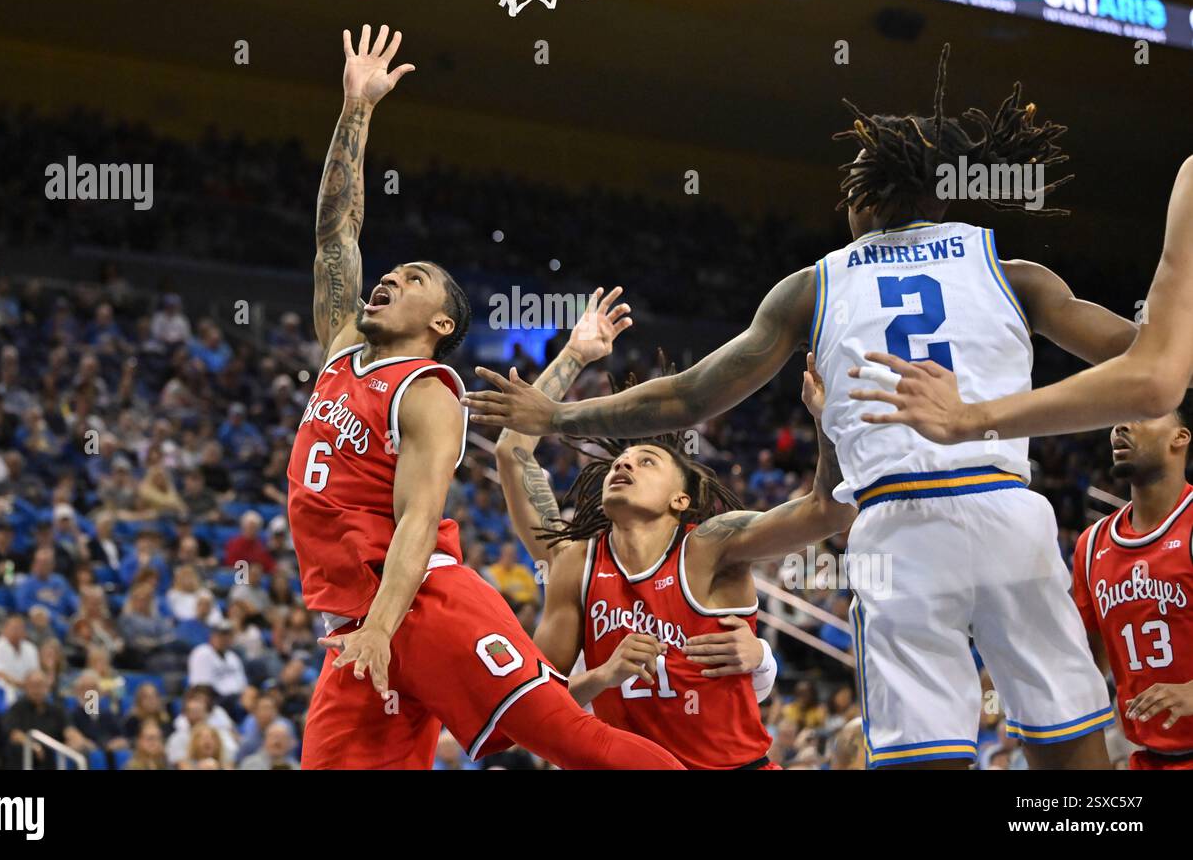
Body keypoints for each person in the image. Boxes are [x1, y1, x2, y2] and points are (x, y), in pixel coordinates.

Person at [468, 48, 1124, 769]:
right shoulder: (1013, 270)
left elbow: (689, 393)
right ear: (944, 199)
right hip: (1006, 509)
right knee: (1068, 743)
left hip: (899, 529)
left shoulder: (814, 287)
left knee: (924, 755)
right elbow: (1141, 356)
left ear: (861, 201)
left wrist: (558, 416)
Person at [292, 25, 680, 770]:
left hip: (423, 605)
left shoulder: (427, 390)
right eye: (394, 270)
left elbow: (417, 519)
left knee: (573, 741)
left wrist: (383, 625)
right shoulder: (344, 350)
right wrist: (357, 108)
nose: (393, 276)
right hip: (357, 618)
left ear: (441, 324)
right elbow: (336, 231)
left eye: (415, 278)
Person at [496, 291, 847, 768]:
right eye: (620, 460)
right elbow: (532, 704)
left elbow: (829, 511)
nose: (624, 464)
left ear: (680, 500)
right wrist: (577, 352)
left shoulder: (711, 547)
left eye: (646, 461)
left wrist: (828, 422)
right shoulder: (577, 563)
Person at [847, 154, 1193, 442]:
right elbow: (1157, 361)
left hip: (898, 495)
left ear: (863, 201)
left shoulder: (817, 285)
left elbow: (1157, 372)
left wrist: (968, 418)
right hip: (1000, 497)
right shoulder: (1013, 278)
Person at [1072, 396, 1193, 770]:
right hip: (1144, 758)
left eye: (1141, 417)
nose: (1120, 427)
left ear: (1180, 438)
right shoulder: (1091, 545)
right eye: (1117, 418)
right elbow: (1088, 662)